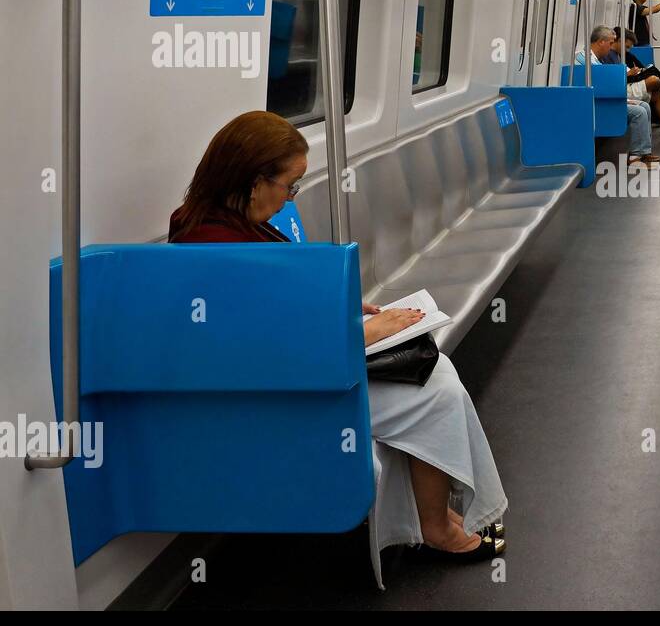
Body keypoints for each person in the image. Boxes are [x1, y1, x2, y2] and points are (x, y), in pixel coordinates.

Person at [168, 111, 508, 562]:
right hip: (276, 394)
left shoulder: (228, 223)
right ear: (254, 181)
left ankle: (439, 517)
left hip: (296, 371)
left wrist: (343, 310)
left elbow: (274, 314)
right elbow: (260, 351)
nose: (291, 199)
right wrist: (360, 332)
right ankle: (436, 527)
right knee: (436, 387)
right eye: (289, 186)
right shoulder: (215, 248)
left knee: (435, 370)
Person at [579, 26, 660, 167]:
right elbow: (600, 89)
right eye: (610, 43)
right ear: (601, 42)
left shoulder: (596, 60)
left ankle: (644, 152)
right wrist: (624, 101)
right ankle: (635, 158)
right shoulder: (586, 61)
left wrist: (626, 100)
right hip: (598, 105)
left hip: (605, 99)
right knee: (639, 112)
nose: (611, 47)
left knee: (645, 106)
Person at [611, 27, 660, 138]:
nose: (627, 50)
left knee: (657, 90)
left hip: (625, 83)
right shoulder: (609, 55)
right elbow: (613, 79)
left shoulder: (619, 54)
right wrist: (628, 74)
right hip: (621, 88)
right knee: (654, 80)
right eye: (626, 46)